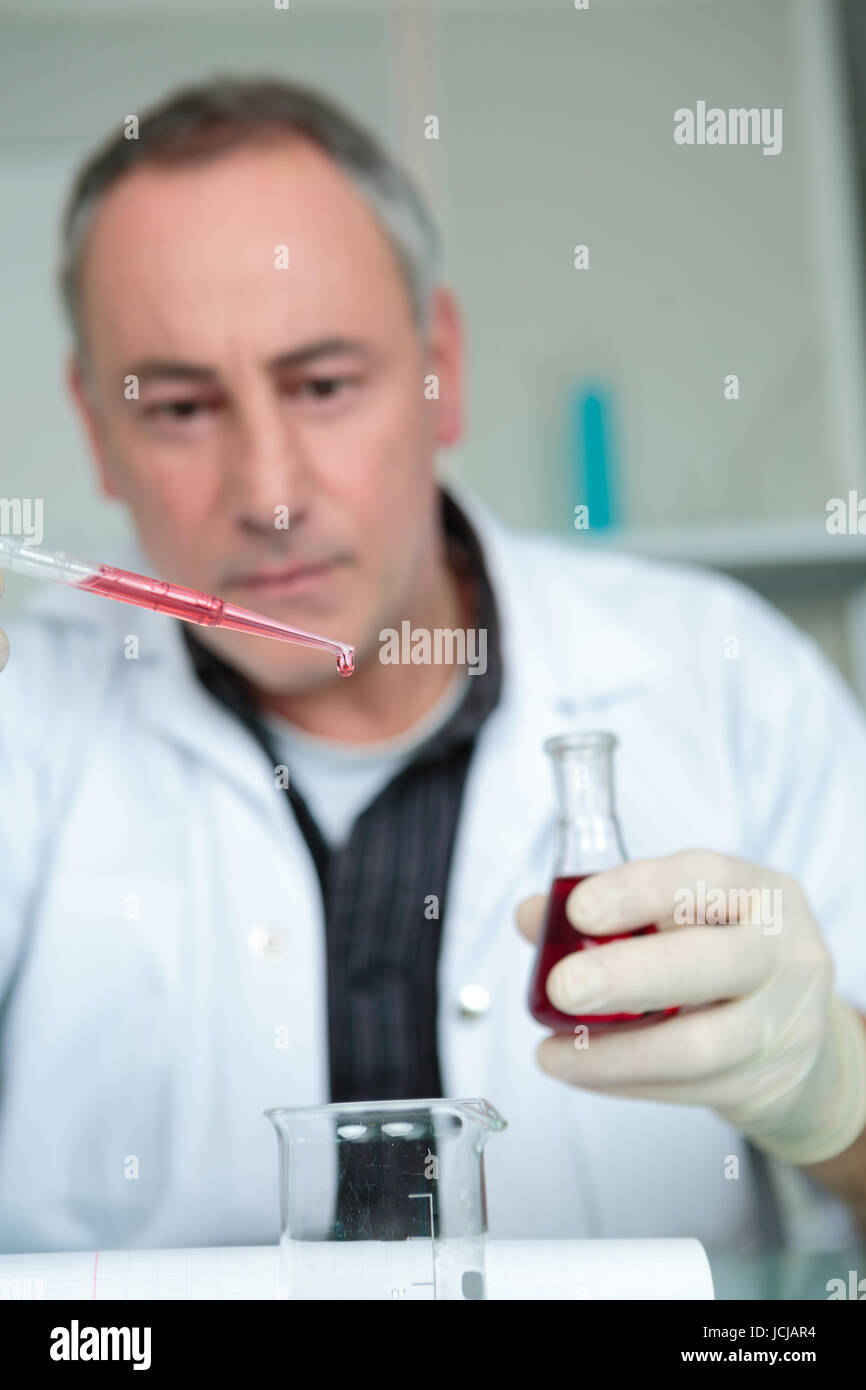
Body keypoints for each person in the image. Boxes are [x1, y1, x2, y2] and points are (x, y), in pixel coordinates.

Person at [0, 77, 864, 1257]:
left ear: (438, 369)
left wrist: (834, 1097)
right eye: (182, 408)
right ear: (96, 429)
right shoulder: (25, 712)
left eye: (322, 385)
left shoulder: (726, 684)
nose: (270, 495)